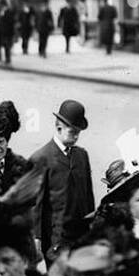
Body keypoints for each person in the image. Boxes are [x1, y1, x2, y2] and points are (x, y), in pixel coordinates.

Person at [29, 99, 95, 260]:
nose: (77, 136)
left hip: (81, 237)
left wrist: (92, 226)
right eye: (73, 132)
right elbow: (35, 205)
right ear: (59, 127)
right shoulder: (41, 158)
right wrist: (36, 239)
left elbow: (88, 195)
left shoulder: (82, 155)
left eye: (79, 132)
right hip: (56, 239)